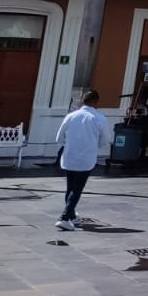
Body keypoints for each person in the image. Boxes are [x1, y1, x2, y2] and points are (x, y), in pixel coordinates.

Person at [54, 90, 111, 231]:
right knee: (77, 189)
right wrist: (93, 145)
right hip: (86, 158)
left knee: (70, 187)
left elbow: (59, 137)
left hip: (69, 157)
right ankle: (65, 217)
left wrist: (68, 144)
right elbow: (105, 140)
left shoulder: (71, 116)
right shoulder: (99, 118)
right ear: (96, 102)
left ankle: (71, 214)